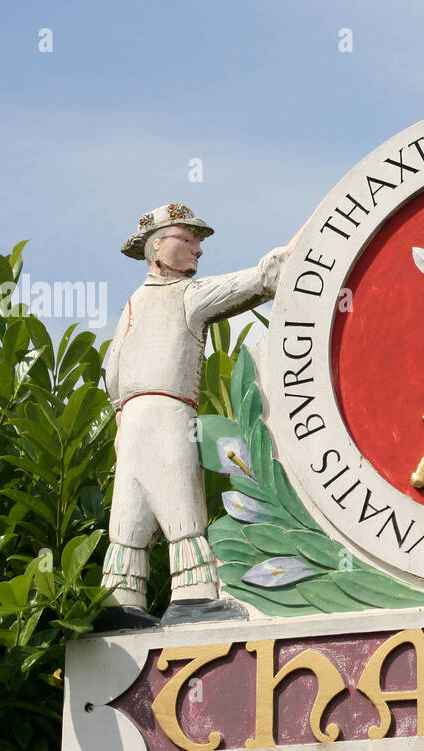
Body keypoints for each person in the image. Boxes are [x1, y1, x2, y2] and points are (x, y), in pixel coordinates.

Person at [96, 203, 290, 629]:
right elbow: (250, 283)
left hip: (132, 419)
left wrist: (119, 416)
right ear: (157, 248)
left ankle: (121, 596)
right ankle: (193, 596)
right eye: (187, 240)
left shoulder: (132, 306)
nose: (198, 251)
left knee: (132, 511)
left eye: (197, 242)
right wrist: (280, 264)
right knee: (177, 503)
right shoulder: (183, 296)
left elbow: (112, 371)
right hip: (163, 412)